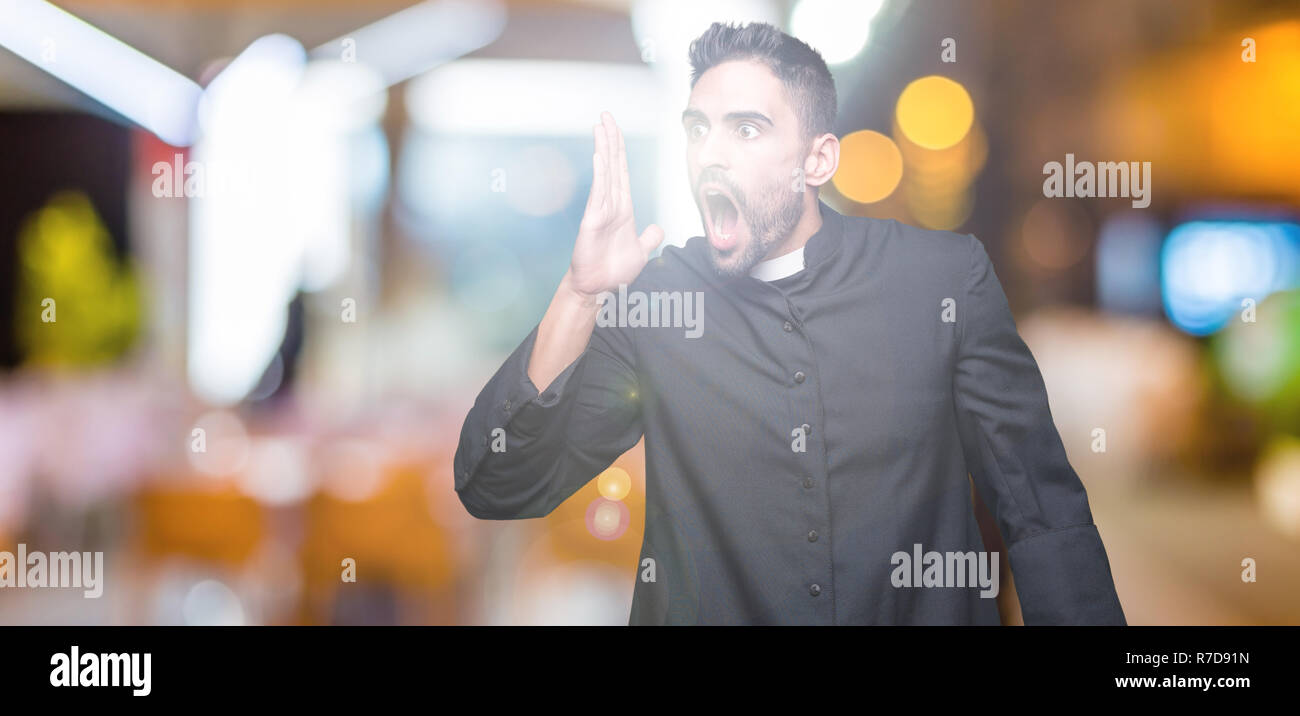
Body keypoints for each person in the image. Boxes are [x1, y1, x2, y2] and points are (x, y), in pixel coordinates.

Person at [453, 21, 1126, 625]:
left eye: (745, 129)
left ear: (817, 160)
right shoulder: (657, 305)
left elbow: (1042, 511)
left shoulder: (944, 280)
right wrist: (578, 294)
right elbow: (497, 484)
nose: (711, 153)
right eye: (698, 129)